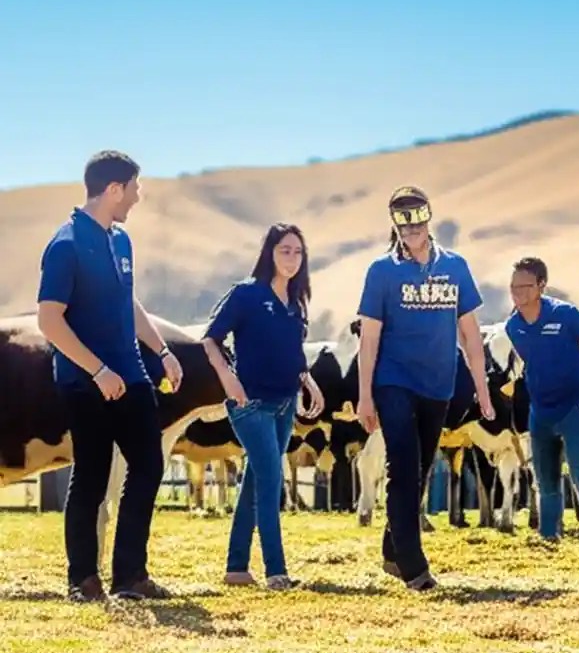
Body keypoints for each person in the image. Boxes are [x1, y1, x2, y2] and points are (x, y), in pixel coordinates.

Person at [36, 150, 184, 602]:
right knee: (93, 475)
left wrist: (162, 351)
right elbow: (49, 320)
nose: (137, 198)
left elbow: (128, 303)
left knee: (148, 465)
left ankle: (130, 577)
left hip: (133, 377)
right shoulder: (64, 245)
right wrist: (97, 370)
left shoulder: (121, 241)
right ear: (114, 188)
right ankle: (83, 579)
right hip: (85, 383)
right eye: (134, 188)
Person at [354, 185, 494, 591]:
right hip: (394, 381)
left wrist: (482, 391)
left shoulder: (455, 267)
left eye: (417, 216)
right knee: (403, 468)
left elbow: (471, 335)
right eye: (402, 217)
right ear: (393, 222)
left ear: (429, 217)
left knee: (420, 468)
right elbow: (369, 340)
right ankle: (416, 569)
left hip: (439, 384)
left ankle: (391, 552)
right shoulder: (381, 271)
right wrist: (365, 395)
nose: (411, 225)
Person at [202, 223, 325, 591]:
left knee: (257, 479)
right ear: (269, 253)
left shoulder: (296, 301)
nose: (291, 258)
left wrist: (307, 379)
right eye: (284, 250)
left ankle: (236, 567)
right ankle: (276, 571)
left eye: (297, 252)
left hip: (286, 402)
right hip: (249, 403)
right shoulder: (246, 294)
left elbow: (290, 349)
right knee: (273, 480)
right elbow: (211, 339)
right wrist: (228, 378)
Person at [504, 256, 579, 556]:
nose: (517, 292)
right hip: (540, 410)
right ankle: (549, 536)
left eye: (524, 286)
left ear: (541, 285)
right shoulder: (513, 326)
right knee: (544, 476)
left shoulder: (565, 314)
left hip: (575, 405)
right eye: (513, 286)